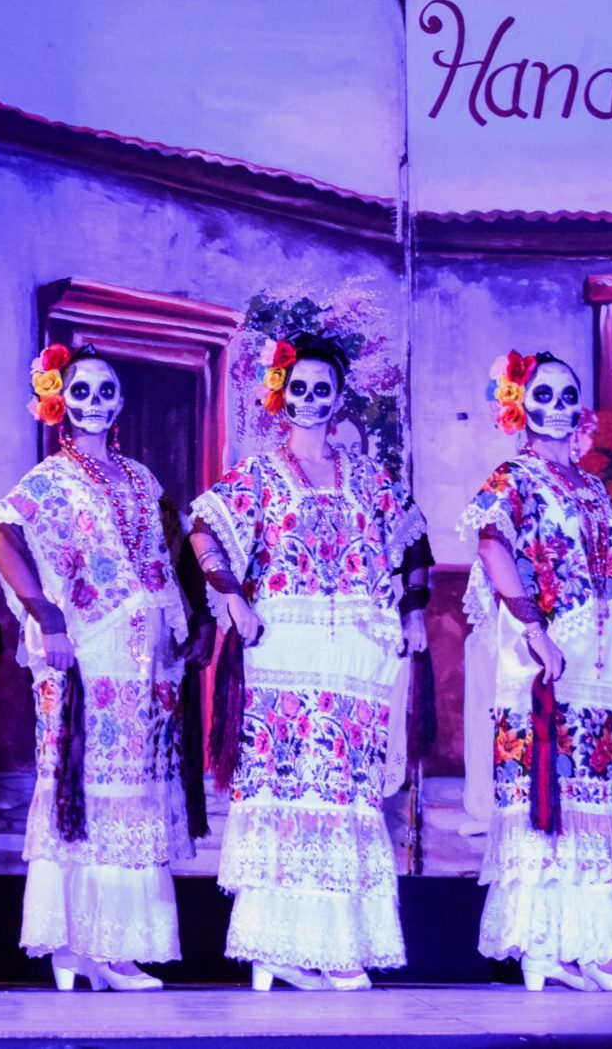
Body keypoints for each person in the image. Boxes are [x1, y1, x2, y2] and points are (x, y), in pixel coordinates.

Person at [188, 332, 431, 992]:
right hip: (286, 649)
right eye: (300, 387)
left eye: (324, 388)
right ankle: (274, 949)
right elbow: (205, 531)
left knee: (345, 792)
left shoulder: (368, 477)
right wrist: (232, 595)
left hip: (354, 654)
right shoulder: (260, 474)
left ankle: (334, 945)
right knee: (289, 790)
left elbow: (415, 544)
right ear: (282, 394)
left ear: (339, 396)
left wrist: (414, 609)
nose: (312, 398)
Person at [0, 343, 196, 993]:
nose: (95, 402)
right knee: (82, 784)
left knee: (131, 789)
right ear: (59, 401)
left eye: (107, 391)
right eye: (82, 390)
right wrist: (46, 614)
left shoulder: (142, 480)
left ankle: (94, 947)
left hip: (141, 658)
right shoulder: (50, 479)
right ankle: (90, 947)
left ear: (121, 401)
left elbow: (162, 559)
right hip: (82, 650)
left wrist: (181, 626)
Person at [462, 350, 612, 993]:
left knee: (598, 799)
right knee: (554, 800)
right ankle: (551, 948)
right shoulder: (514, 477)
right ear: (518, 404)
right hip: (553, 659)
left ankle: (575, 949)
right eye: (543, 395)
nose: (557, 408)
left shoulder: (593, 488)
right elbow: (492, 543)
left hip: (611, 666)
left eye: (567, 396)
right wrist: (534, 629)